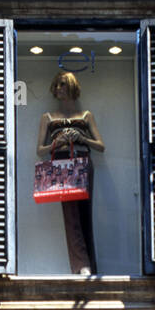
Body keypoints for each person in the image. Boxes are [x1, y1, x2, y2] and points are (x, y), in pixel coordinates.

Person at [36, 71, 105, 275]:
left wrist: (81, 138)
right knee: (70, 215)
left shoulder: (86, 116)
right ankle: (81, 265)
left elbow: (100, 146)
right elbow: (40, 150)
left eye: (63, 85)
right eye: (57, 85)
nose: (59, 89)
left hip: (83, 162)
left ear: (72, 87)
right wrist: (57, 143)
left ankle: (89, 264)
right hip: (61, 164)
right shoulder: (48, 117)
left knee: (85, 213)